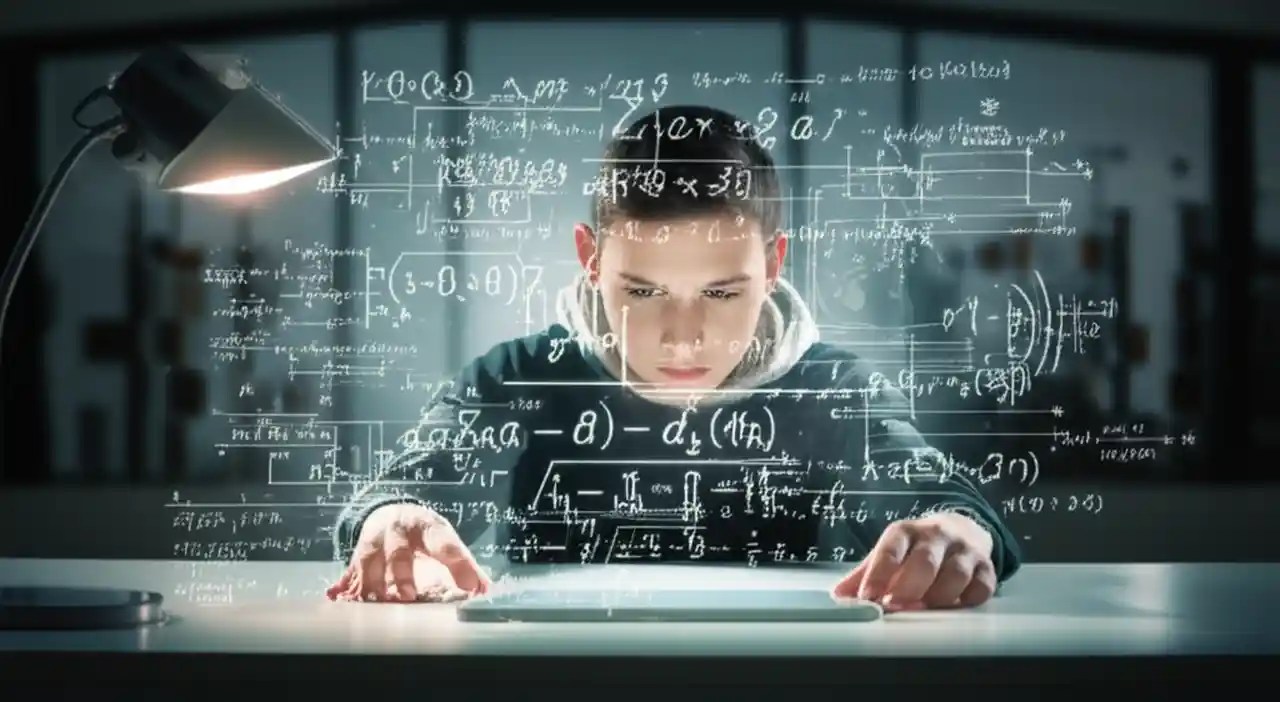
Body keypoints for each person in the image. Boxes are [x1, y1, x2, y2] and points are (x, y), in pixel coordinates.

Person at [325, 104, 1022, 612]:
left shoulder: (831, 388)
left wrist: (957, 529)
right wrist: (393, 516)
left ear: (775, 263)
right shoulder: (518, 377)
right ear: (590, 260)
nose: (683, 337)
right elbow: (414, 483)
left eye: (721, 292)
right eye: (644, 290)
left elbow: (926, 488)